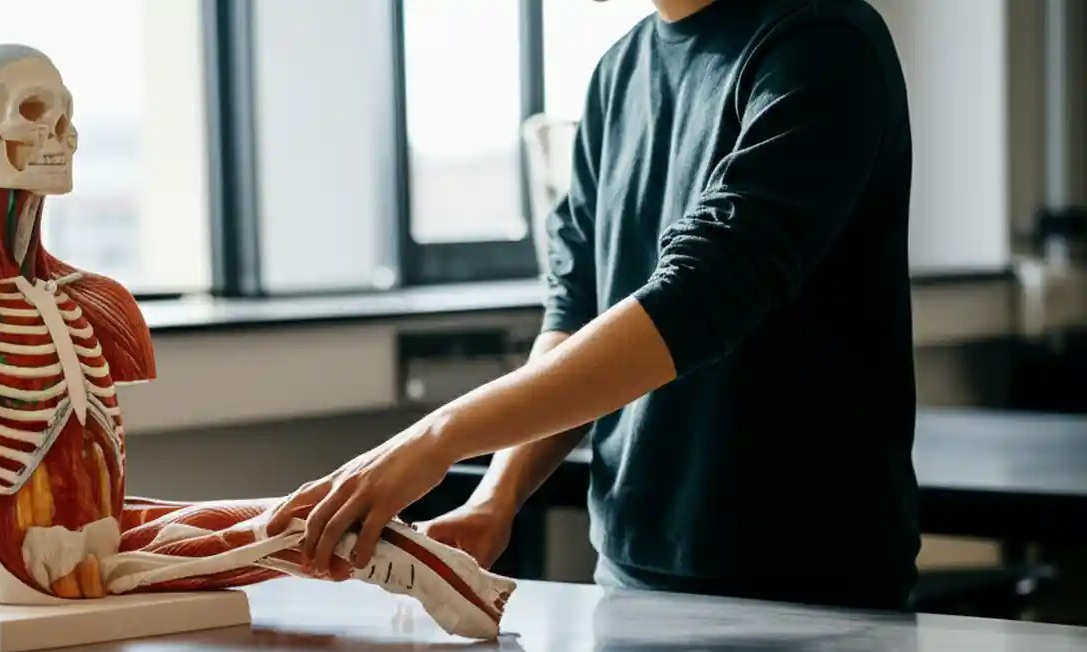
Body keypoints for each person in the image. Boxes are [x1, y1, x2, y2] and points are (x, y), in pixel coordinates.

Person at [273, 0, 921, 611]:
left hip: (811, 588)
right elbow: (577, 309)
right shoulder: (618, 72)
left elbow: (701, 296)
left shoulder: (824, 45)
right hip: (630, 577)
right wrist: (496, 497)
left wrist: (437, 438)